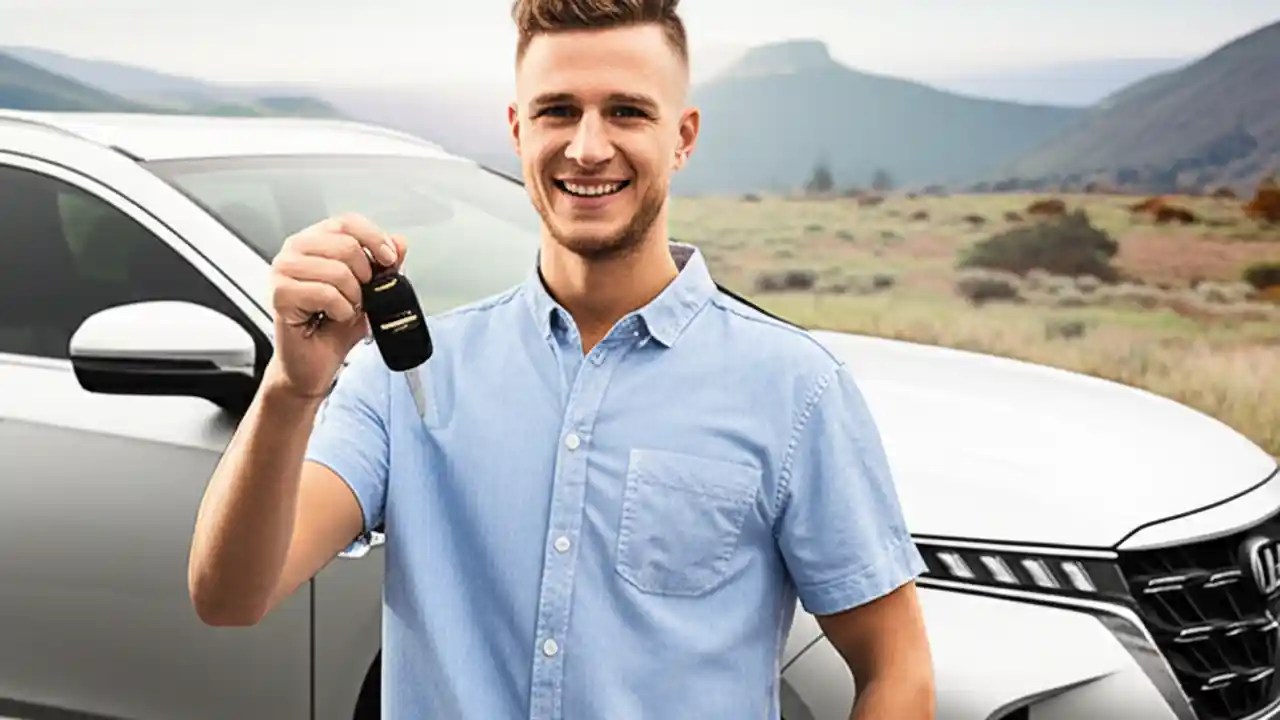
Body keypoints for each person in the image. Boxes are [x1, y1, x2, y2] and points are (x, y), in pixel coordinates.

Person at [187, 0, 935, 717]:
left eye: (627, 111)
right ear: (518, 130)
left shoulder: (794, 389)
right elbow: (229, 597)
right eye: (558, 111)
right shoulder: (404, 378)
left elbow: (896, 668)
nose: (588, 147)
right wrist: (290, 388)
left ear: (683, 137)